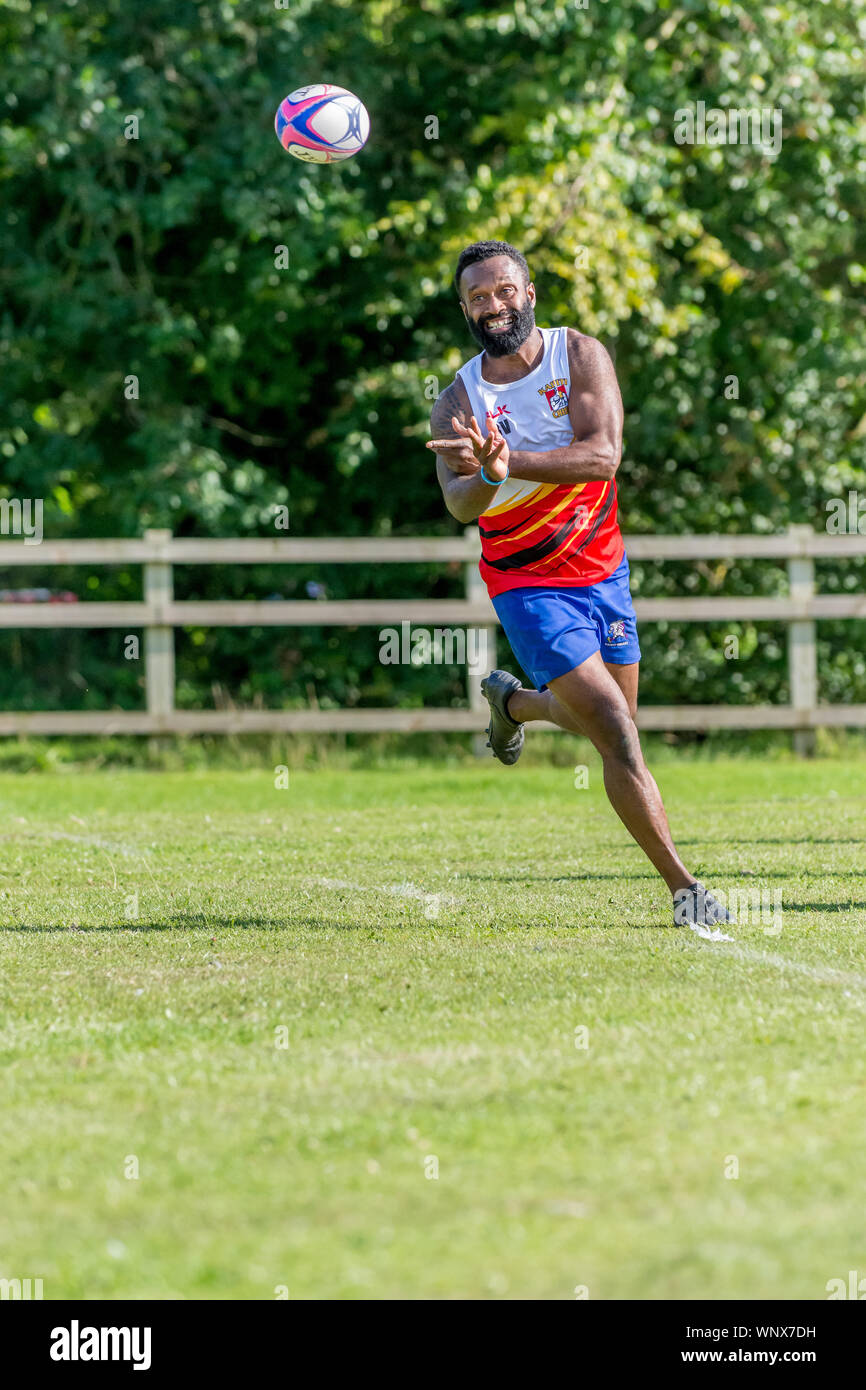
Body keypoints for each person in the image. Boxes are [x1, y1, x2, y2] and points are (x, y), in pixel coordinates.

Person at [427, 240, 731, 933]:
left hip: (602, 572)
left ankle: (516, 706)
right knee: (619, 734)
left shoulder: (580, 355)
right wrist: (490, 477)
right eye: (477, 297)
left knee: (607, 721)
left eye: (504, 290)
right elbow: (459, 504)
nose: (493, 305)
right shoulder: (456, 402)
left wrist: (511, 458)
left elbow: (603, 457)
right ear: (465, 310)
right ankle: (685, 889)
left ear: (529, 293)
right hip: (526, 583)